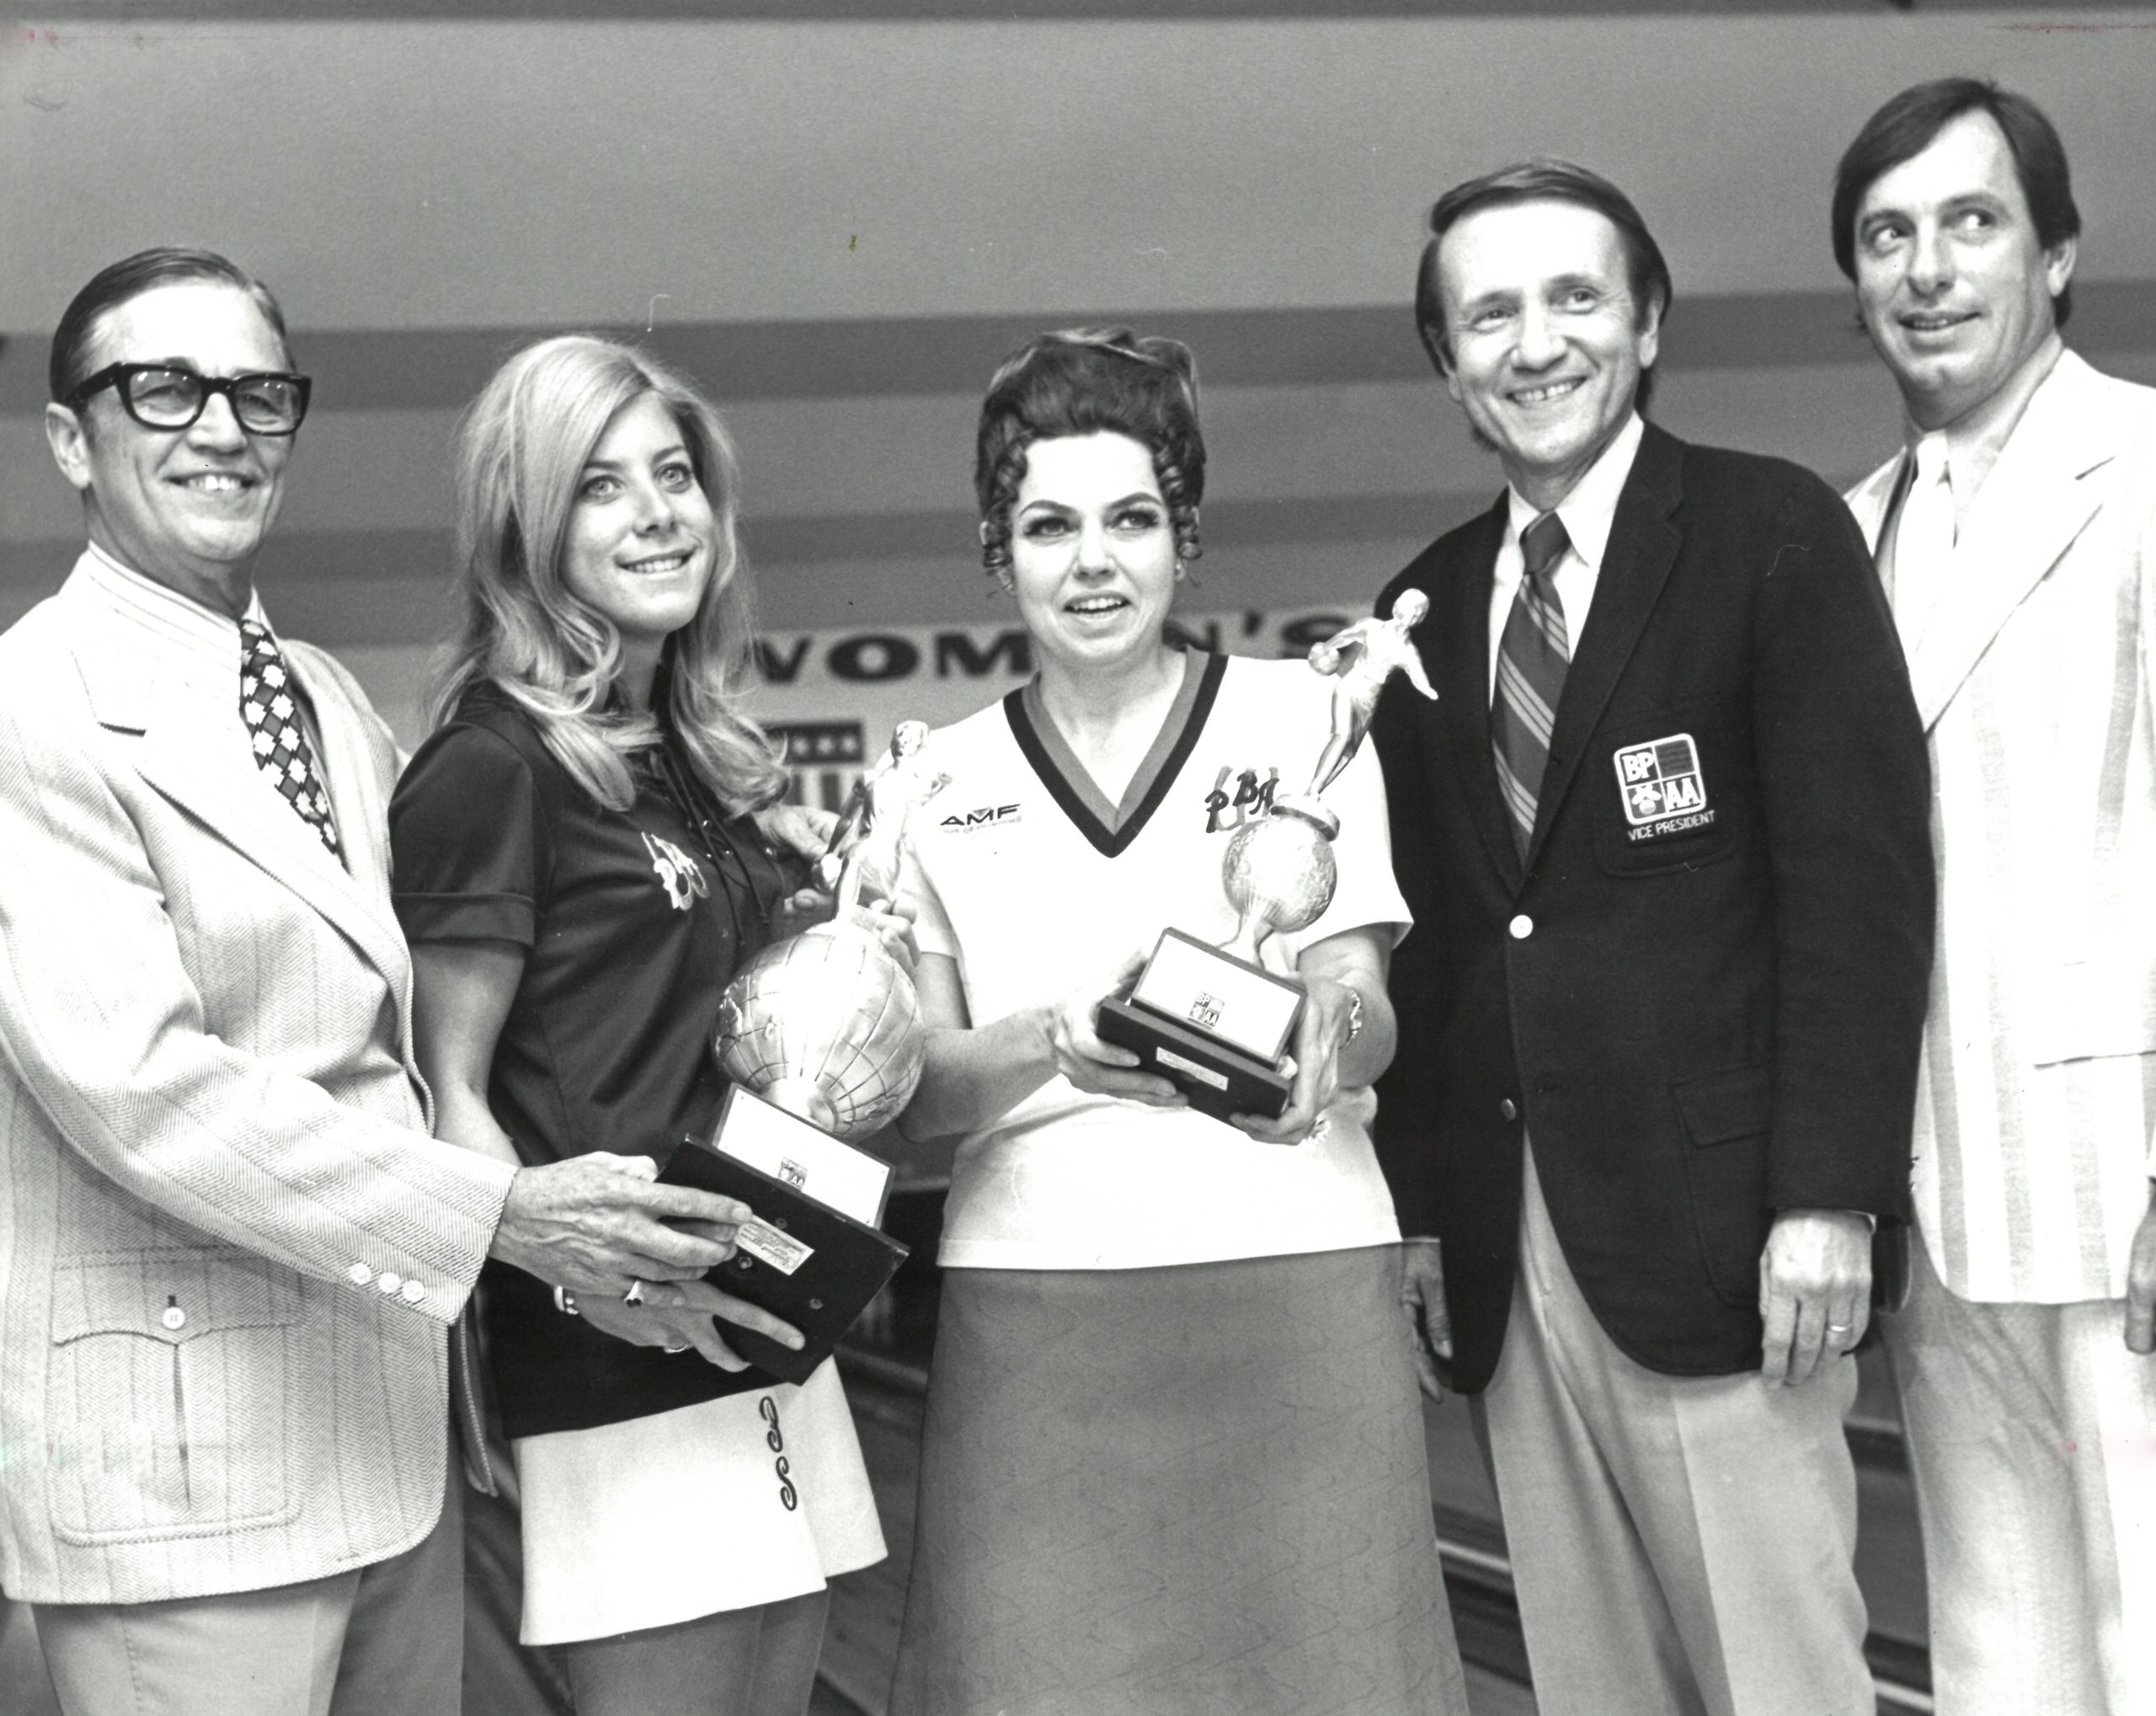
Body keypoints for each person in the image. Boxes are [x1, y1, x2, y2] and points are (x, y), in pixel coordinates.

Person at [0, 251, 755, 1716]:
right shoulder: (29, 710)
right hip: (190, 1473)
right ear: (68, 440)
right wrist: (506, 1216)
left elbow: (397, 1053)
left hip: (383, 1440)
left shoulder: (331, 702)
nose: (221, 427)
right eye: (164, 387)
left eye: (258, 393)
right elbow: (146, 1099)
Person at [1368, 164, 1935, 1716]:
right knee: (1591, 1686)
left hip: (1726, 1239)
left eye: (1573, 298)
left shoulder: (1769, 530)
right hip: (1509, 1239)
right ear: (1448, 358)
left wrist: (1829, 1196)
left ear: (1649, 321)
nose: (1535, 343)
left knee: (1785, 1685)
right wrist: (1424, 1211)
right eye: (1490, 313)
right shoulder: (1423, 603)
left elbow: (1860, 897)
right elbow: (1437, 943)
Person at [884, 329, 1466, 1716]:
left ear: (1185, 536)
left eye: (1131, 519)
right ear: (995, 548)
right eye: (1049, 524)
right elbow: (921, 1095)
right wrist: (1053, 1038)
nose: (1093, 560)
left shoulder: (1308, 717)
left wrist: (1321, 1049)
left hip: (1297, 1280)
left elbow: (1365, 1000)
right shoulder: (938, 777)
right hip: (1039, 1309)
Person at [387, 334, 886, 1716]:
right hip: (617, 1361)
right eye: (601, 487)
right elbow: (450, 1096)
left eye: (676, 474)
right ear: (528, 528)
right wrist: (577, 1274)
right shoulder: (492, 764)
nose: (660, 511)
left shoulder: (697, 768)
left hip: (765, 1319)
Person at [1833, 78, 2156, 1715]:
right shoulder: (1843, 535)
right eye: (1885, 235)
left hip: (2121, 1189)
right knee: (2000, 1662)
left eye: (1969, 222)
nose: (1925, 268)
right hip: (1936, 1201)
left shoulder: (2146, 467)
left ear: (2054, 253)